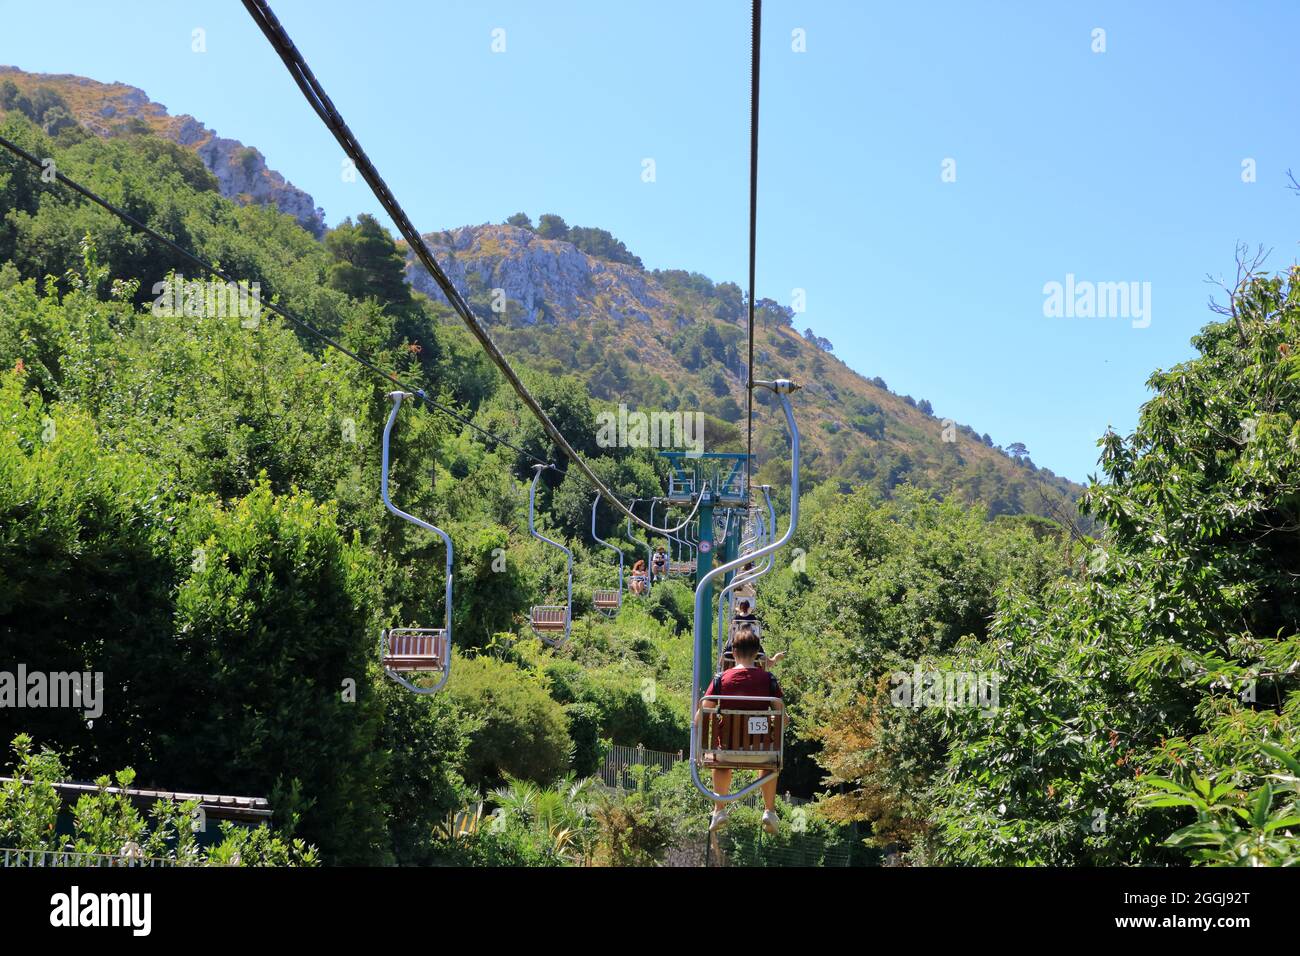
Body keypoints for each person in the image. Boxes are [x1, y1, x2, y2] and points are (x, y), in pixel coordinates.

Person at [698, 626, 783, 834]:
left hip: (727, 751)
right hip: (762, 752)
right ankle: (769, 811)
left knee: (721, 763)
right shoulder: (769, 680)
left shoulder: (721, 680)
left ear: (733, 653)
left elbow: (701, 714)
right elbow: (783, 715)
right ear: (757, 654)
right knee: (770, 764)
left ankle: (719, 810)